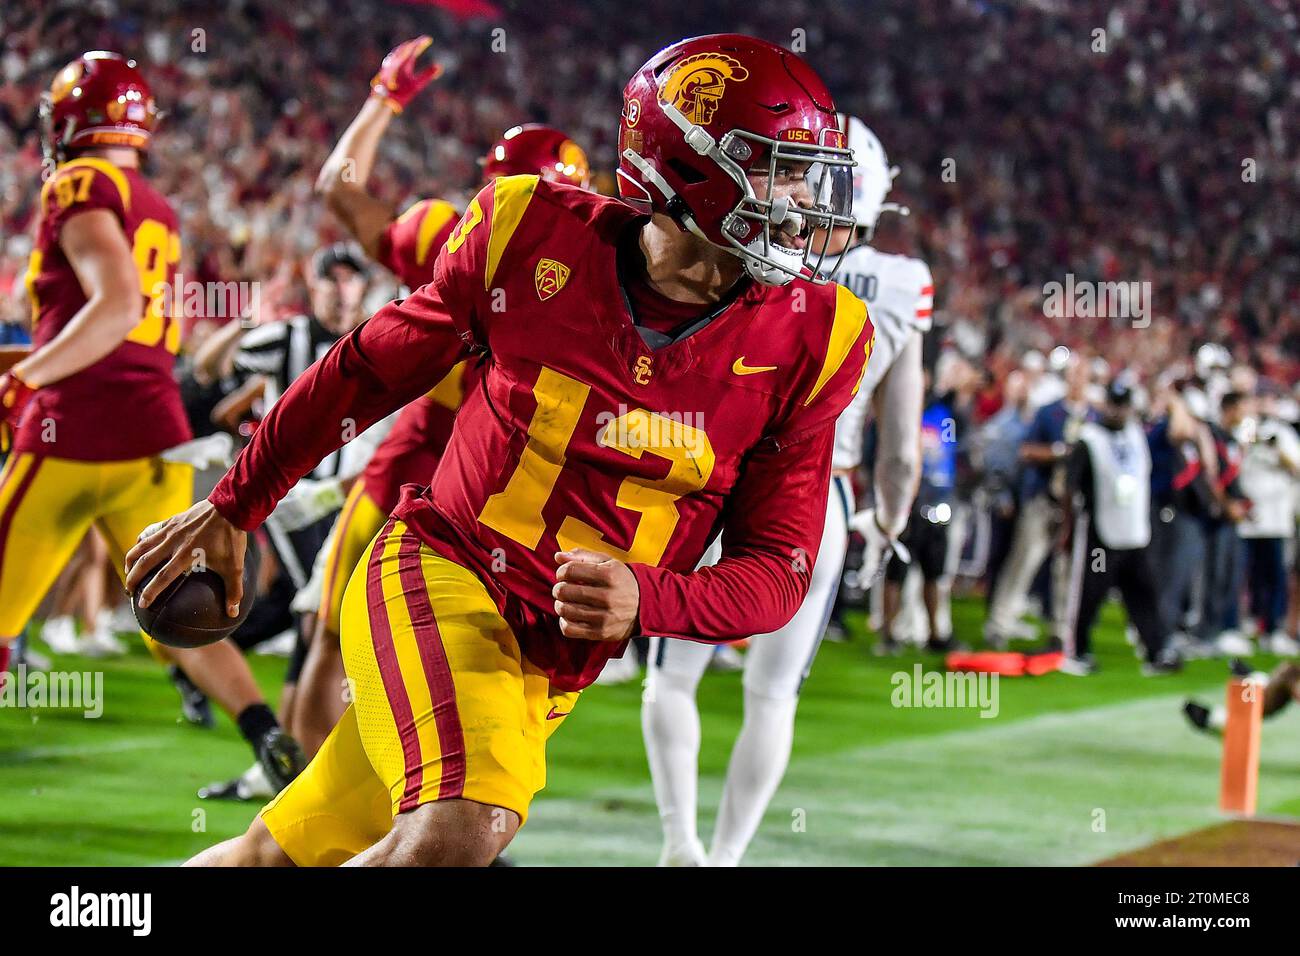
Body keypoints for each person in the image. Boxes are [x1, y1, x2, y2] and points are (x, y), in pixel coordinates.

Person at [125, 33, 871, 867]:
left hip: (551, 664)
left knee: (278, 855)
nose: (800, 201)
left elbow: (778, 571)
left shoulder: (817, 337)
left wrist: (651, 600)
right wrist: (238, 502)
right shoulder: (530, 230)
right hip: (447, 567)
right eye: (776, 168)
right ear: (682, 167)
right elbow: (366, 371)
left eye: (806, 172)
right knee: (462, 830)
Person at [0, 51, 304, 790]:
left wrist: (25, 375)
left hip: (74, 427)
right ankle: (267, 736)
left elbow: (116, 304)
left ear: (74, 116)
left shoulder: (77, 181)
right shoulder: (154, 203)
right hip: (157, 431)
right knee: (176, 607)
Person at [291, 36, 594, 758]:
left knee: (355, 640)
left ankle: (411, 810)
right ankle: (328, 799)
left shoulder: (448, 232)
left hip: (445, 471)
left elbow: (340, 187)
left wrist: (382, 102)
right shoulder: (591, 274)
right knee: (377, 644)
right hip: (479, 486)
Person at [641, 116, 928, 867]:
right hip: (819, 497)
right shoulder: (901, 283)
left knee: (673, 678)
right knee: (773, 697)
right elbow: (901, 437)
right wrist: (890, 521)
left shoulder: (746, 257)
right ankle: (727, 858)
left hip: (715, 480)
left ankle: (680, 843)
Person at [1058, 379, 1181, 675]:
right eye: (1115, 404)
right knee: (1090, 592)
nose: (1118, 411)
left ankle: (1156, 650)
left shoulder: (1136, 434)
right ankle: (1077, 650)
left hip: (1135, 533)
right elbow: (1069, 486)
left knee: (1144, 593)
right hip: (1101, 535)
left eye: (1123, 405)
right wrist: (1068, 527)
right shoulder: (1089, 438)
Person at [984, 353, 1095, 646]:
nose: (1078, 381)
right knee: (1024, 560)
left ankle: (1061, 630)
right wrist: (1060, 451)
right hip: (1044, 498)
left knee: (1066, 571)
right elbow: (1026, 450)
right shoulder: (1050, 412)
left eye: (1083, 376)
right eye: (1074, 375)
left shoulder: (1094, 416)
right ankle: (999, 623)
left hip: (1075, 505)